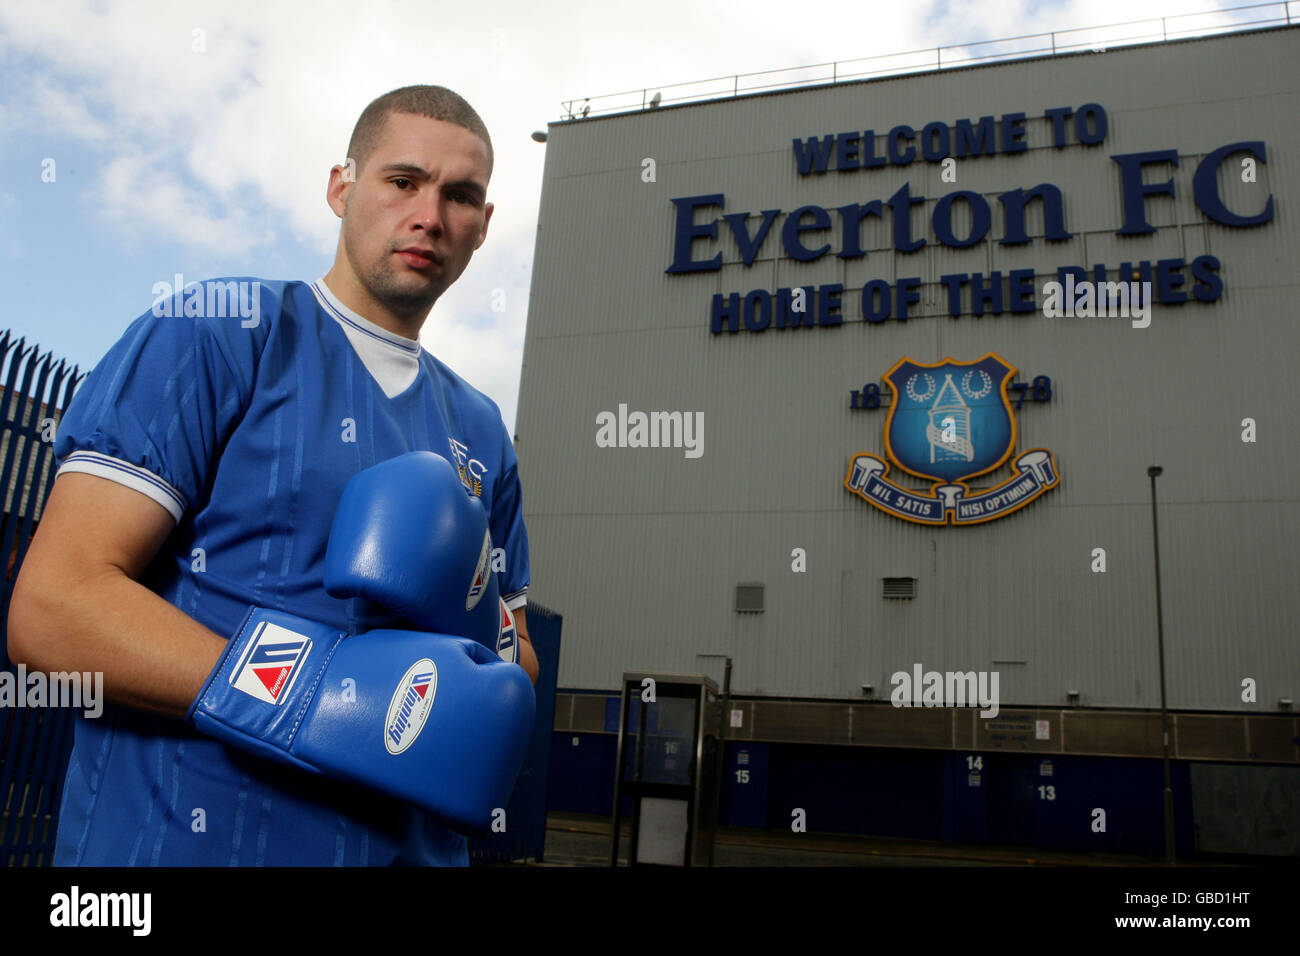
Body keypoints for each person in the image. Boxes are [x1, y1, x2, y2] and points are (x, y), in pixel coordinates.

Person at [7, 84, 537, 866]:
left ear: (483, 225)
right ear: (341, 186)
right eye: (402, 181)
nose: (430, 215)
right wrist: (310, 694)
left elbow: (516, 659)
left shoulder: (482, 427)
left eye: (460, 196)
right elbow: (54, 608)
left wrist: (475, 608)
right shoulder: (218, 334)